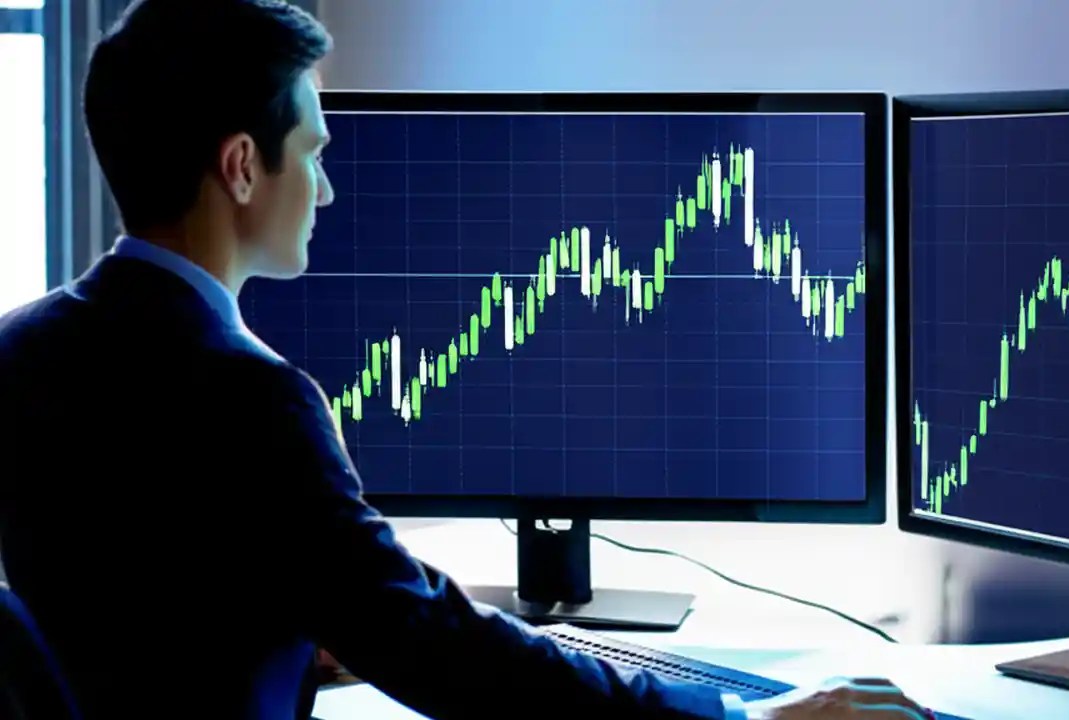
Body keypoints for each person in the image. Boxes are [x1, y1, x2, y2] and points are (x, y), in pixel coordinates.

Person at [0, 1, 932, 719]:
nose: (325, 189)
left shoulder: (23, 348)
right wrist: (741, 717)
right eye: (313, 153)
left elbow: (138, 603)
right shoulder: (253, 400)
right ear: (242, 167)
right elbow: (440, 651)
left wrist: (295, 626)